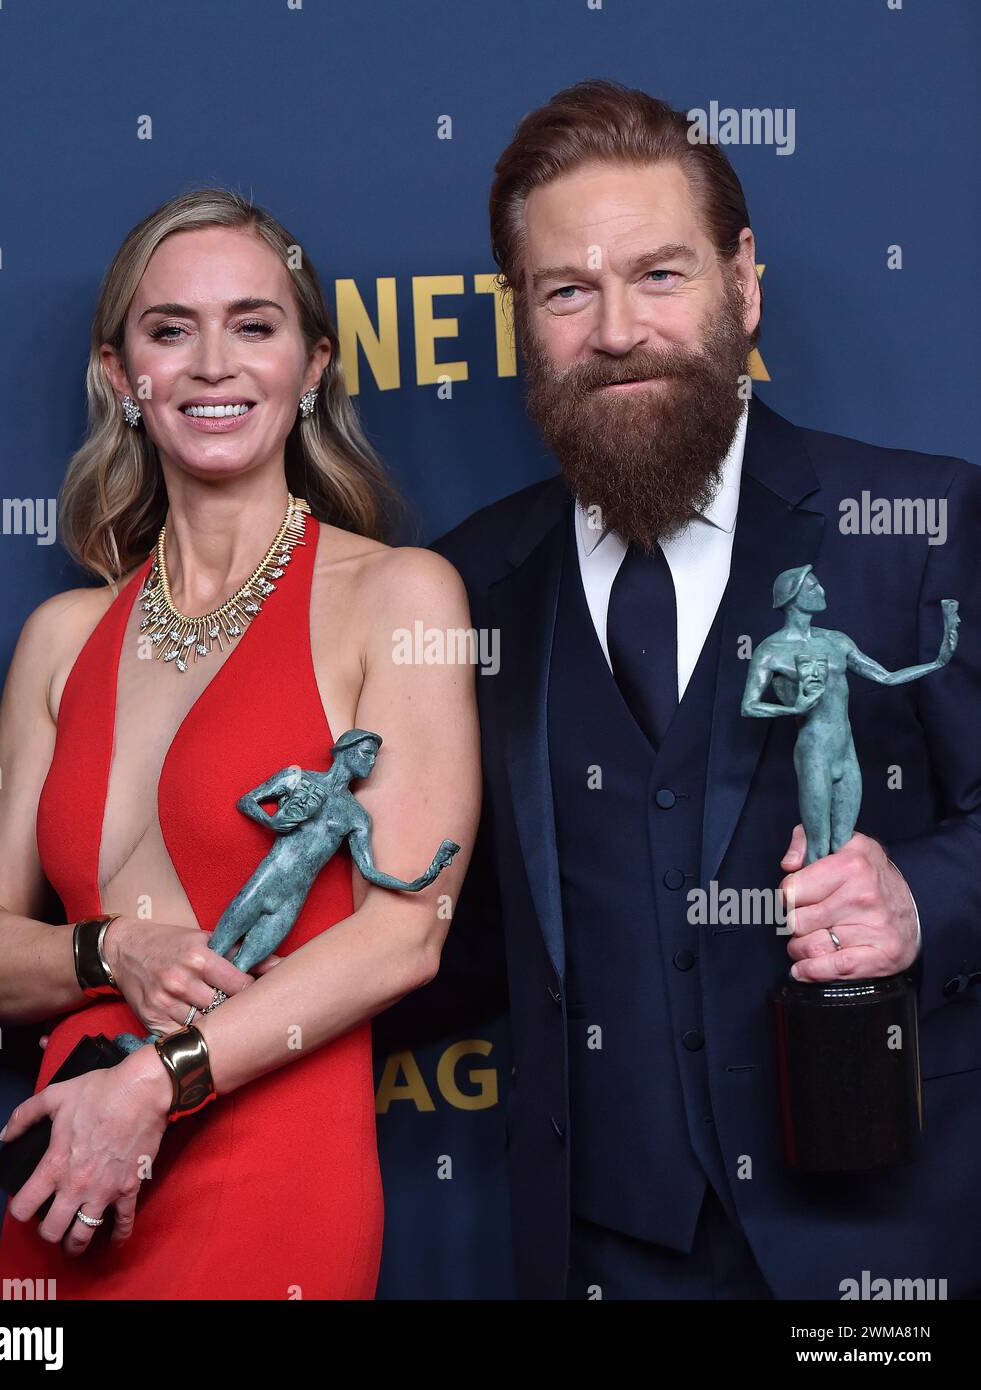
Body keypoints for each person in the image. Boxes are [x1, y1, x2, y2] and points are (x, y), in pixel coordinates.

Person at [383, 79, 981, 1299]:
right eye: (567, 290)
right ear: (519, 320)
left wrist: (917, 898)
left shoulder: (914, 529)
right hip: (596, 1248)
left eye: (660, 275)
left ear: (743, 283)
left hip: (878, 1248)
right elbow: (450, 930)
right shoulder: (464, 584)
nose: (616, 331)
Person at [0, 187, 480, 1299]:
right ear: (118, 374)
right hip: (69, 1159)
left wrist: (160, 1079)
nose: (211, 364)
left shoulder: (396, 593)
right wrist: (108, 952)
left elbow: (406, 935)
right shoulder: (60, 638)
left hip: (266, 1159)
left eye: (255, 324)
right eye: (169, 329)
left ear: (315, 364)